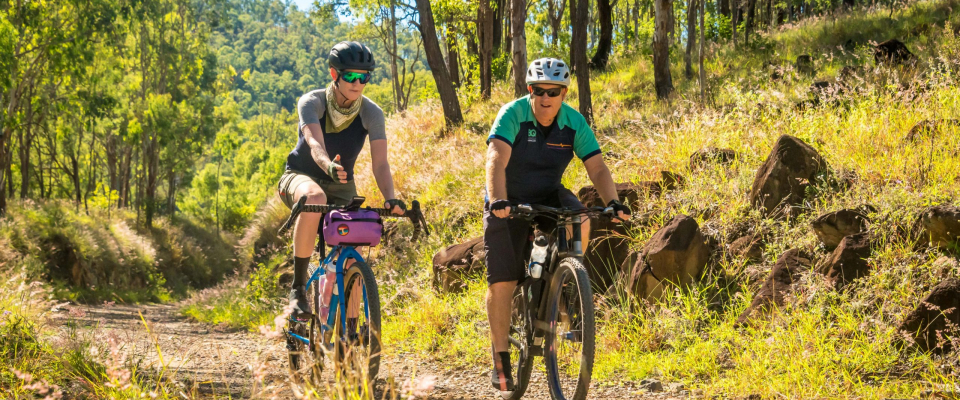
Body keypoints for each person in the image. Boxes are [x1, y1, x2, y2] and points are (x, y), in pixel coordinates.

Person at [483, 57, 630, 392]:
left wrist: (613, 203)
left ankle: (566, 281)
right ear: (529, 89)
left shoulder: (573, 122)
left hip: (548, 194)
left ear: (564, 93)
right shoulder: (513, 114)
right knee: (503, 281)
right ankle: (501, 357)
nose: (545, 97)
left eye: (553, 91)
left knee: (579, 217)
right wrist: (497, 200)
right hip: (508, 197)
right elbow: (496, 159)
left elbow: (597, 168)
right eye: (538, 90)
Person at [277, 41, 405, 315]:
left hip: (342, 185)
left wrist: (391, 198)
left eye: (364, 77)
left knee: (351, 254)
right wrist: (328, 166)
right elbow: (314, 143)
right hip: (300, 176)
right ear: (334, 74)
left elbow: (380, 163)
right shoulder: (312, 102)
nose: (357, 82)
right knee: (315, 197)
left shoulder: (372, 113)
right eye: (350, 76)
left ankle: (349, 329)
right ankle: (298, 288)